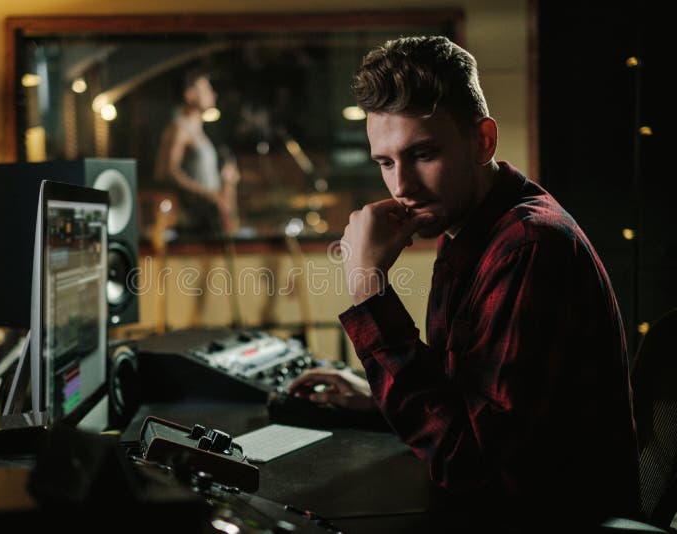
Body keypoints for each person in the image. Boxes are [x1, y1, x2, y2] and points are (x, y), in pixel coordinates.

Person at [288, 36, 640, 531]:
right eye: (385, 163)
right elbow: (469, 402)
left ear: (483, 141)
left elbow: (472, 468)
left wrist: (368, 287)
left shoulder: (527, 245)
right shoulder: (471, 229)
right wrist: (375, 397)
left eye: (423, 154)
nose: (402, 186)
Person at [154, 68, 240, 236]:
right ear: (189, 95)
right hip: (194, 224)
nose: (213, 94)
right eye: (206, 89)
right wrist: (209, 195)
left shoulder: (201, 133)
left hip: (212, 219)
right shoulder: (180, 128)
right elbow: (169, 172)